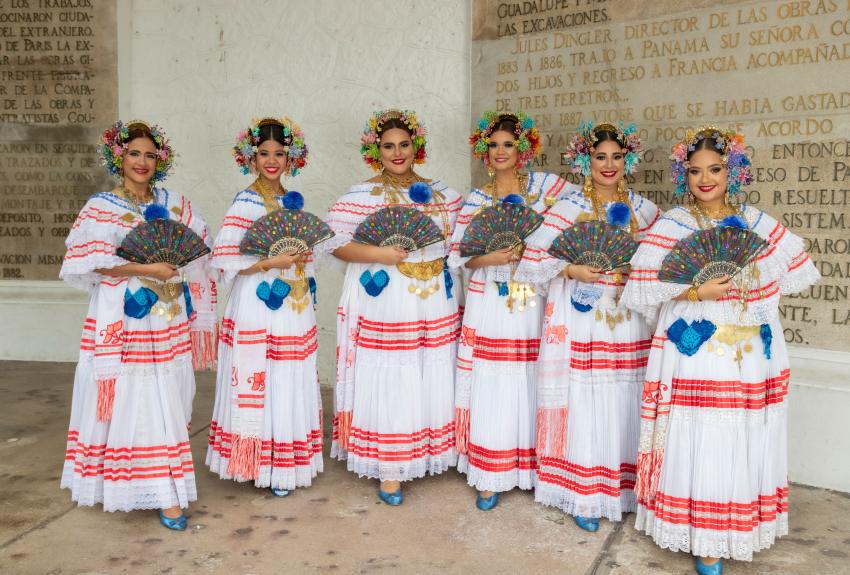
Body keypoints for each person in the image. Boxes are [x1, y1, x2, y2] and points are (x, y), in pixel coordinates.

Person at [621, 127, 820, 575]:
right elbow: (640, 289)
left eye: (715, 169)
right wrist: (696, 290)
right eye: (694, 171)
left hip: (748, 347)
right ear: (683, 175)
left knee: (739, 430)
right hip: (695, 345)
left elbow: (791, 273)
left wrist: (753, 296)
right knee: (705, 427)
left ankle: (736, 523)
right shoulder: (673, 224)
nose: (705, 179)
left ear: (734, 171)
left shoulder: (755, 221)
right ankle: (704, 537)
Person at [60, 120, 217, 531]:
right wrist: (145, 266)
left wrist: (176, 266)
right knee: (137, 392)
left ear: (159, 161)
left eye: (150, 155)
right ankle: (159, 494)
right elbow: (90, 260)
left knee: (167, 392)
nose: (142, 162)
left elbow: (201, 251)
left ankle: (165, 483)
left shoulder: (175, 203)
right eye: (134, 154)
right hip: (126, 314)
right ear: (119, 157)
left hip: (167, 315)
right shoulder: (102, 206)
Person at [514, 122, 660, 531]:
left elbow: (660, 264)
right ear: (586, 161)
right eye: (600, 157)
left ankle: (624, 488)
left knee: (622, 398)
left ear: (627, 160)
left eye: (616, 157)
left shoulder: (646, 211)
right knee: (588, 399)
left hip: (627, 319)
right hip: (583, 321)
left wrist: (636, 269)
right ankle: (584, 492)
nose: (609, 165)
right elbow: (533, 263)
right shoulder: (566, 208)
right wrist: (572, 267)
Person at [326, 109, 463, 505]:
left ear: (416, 146)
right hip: (387, 295)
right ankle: (389, 464)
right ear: (376, 150)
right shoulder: (360, 195)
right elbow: (335, 243)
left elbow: (460, 241)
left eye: (404, 144)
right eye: (388, 146)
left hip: (434, 295)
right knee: (393, 370)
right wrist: (379, 252)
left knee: (429, 367)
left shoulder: (443, 194)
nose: (397, 153)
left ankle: (429, 449)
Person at [448, 111, 572, 510]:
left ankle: (539, 469)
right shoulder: (477, 200)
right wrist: (490, 256)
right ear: (484, 151)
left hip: (533, 298)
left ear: (523, 149)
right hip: (491, 301)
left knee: (534, 375)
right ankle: (492, 473)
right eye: (494, 145)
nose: (501, 152)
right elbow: (459, 258)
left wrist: (537, 251)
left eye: (509, 144)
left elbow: (581, 211)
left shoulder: (549, 190)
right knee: (496, 381)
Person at [206, 117, 323, 497]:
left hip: (292, 301)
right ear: (251, 158)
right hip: (258, 299)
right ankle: (254, 459)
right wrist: (266, 263)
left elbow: (308, 255)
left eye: (279, 153)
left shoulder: (291, 201)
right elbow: (224, 256)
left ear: (292, 159)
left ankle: (282, 459)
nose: (272, 160)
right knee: (261, 373)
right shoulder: (246, 201)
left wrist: (302, 255)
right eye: (264, 153)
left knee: (288, 373)